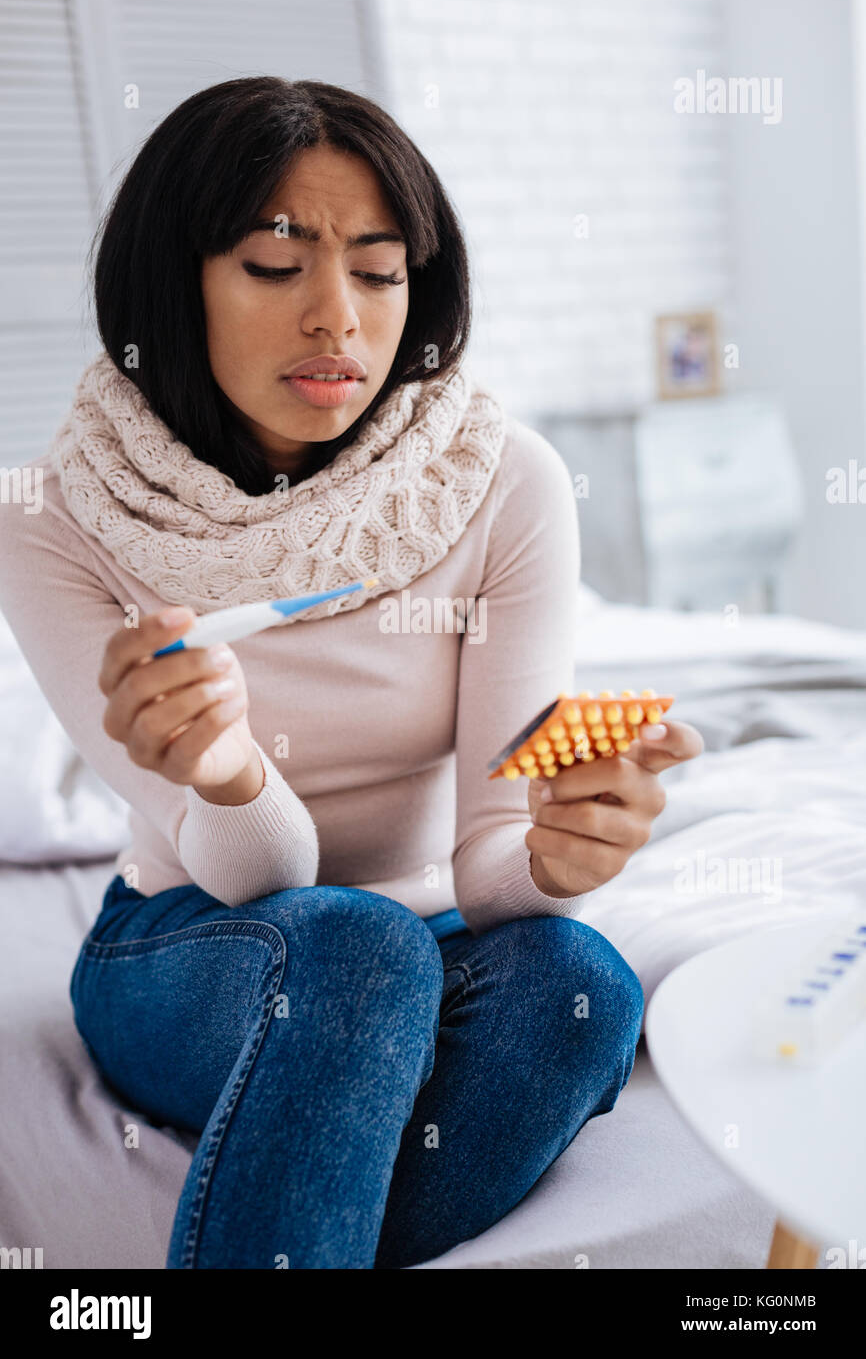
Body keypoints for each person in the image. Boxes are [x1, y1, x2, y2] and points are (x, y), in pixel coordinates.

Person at [0, 77, 703, 1269]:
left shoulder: (502, 482)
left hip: (431, 947)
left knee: (577, 975)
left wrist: (554, 851)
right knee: (352, 948)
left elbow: (486, 872)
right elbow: (262, 877)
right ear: (174, 281)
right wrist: (223, 773)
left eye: (379, 273)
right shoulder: (54, 517)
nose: (339, 317)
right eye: (276, 268)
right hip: (185, 943)